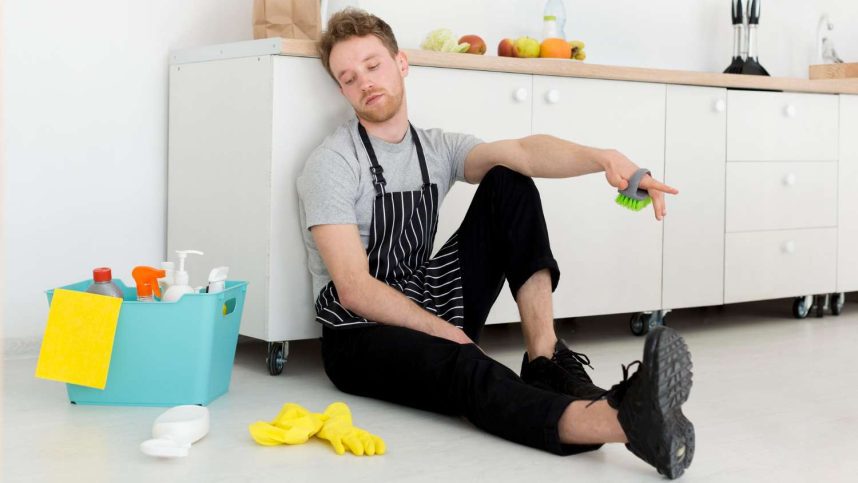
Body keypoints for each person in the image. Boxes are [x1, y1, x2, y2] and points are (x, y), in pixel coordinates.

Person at [297, 8, 694, 479]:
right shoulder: (333, 164)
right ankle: (618, 420)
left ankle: (545, 357)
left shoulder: (435, 147)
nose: (365, 82)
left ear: (401, 63)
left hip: (423, 294)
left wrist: (602, 158)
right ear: (341, 90)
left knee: (510, 179)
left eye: (373, 65)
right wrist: (446, 333)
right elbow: (354, 289)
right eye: (348, 77)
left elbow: (525, 150)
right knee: (463, 366)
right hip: (358, 335)